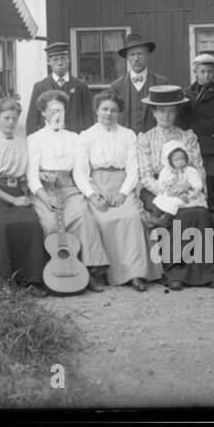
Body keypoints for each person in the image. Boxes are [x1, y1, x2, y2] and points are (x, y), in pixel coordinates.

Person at [73, 90, 163, 291]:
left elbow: (133, 168)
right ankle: (108, 273)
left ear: (118, 113)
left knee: (131, 216)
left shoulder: (128, 135)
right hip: (97, 183)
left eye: (113, 110)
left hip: (122, 183)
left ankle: (135, 274)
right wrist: (93, 195)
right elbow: (80, 172)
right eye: (104, 109)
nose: (108, 114)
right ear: (97, 111)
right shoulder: (86, 136)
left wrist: (123, 192)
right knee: (104, 219)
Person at [137, 86, 214, 288]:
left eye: (171, 110)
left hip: (188, 186)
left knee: (200, 213)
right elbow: (146, 175)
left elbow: (199, 169)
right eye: (161, 110)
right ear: (154, 112)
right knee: (172, 214)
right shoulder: (145, 139)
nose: (166, 115)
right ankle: (174, 272)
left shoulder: (187, 137)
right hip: (157, 189)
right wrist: (166, 191)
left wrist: (186, 187)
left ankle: (207, 272)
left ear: (176, 112)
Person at [26, 90, 109, 292]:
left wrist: (91, 194)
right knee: (50, 223)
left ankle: (90, 272)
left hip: (69, 188)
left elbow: (79, 173)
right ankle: (51, 274)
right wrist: (45, 198)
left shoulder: (74, 138)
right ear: (43, 113)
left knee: (83, 217)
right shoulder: (34, 138)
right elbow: (31, 174)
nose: (57, 114)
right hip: (44, 190)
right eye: (52, 110)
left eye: (61, 110)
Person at [0, 97, 44, 287]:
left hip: (18, 191)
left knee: (32, 224)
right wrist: (13, 201)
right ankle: (6, 281)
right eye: (6, 118)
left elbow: (29, 172)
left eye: (14, 118)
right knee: (4, 226)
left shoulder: (23, 143)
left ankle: (32, 280)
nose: (11, 122)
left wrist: (40, 177)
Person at [181, 53, 214, 210]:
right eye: (202, 71)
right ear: (195, 71)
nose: (206, 75)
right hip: (193, 139)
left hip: (213, 140)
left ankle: (211, 199)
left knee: (211, 172)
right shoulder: (186, 94)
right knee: (194, 171)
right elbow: (182, 118)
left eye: (210, 72)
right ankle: (197, 198)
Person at [26, 41, 93, 135]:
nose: (60, 63)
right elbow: (32, 119)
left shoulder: (80, 86)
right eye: (55, 60)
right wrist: (31, 141)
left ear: (69, 59)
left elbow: (88, 118)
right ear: (48, 62)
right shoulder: (40, 87)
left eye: (63, 59)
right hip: (49, 138)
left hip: (75, 138)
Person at [108, 32, 170, 134]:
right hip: (126, 143)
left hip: (154, 141)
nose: (136, 59)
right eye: (132, 55)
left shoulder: (161, 83)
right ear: (127, 58)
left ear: (148, 56)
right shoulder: (116, 86)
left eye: (140, 54)